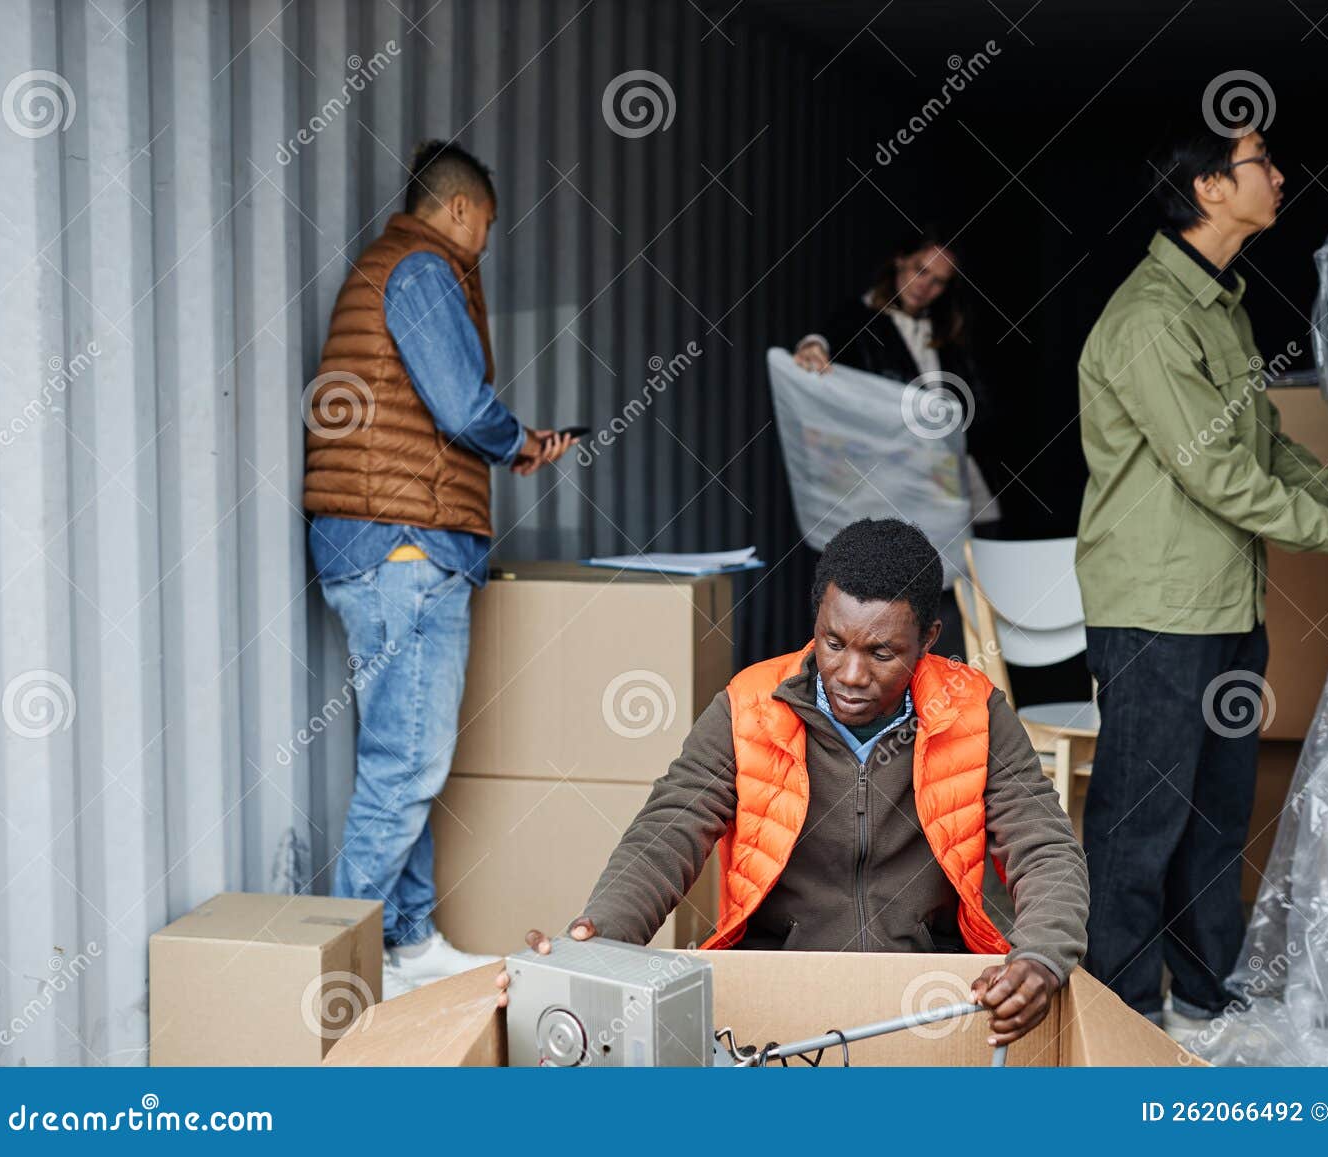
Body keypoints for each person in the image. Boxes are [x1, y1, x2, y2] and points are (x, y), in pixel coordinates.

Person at [1073, 117, 1328, 1038]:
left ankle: (1201, 992)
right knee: (1140, 821)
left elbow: (1264, 447)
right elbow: (1218, 475)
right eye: (1260, 162)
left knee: (1218, 810)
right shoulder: (1151, 319)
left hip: (1226, 603)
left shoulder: (1219, 303)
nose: (1279, 174)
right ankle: (1111, 1011)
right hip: (1158, 609)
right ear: (1209, 190)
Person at [497, 518, 1089, 1047]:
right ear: (817, 620)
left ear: (929, 639)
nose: (851, 675)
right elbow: (668, 830)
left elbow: (1044, 847)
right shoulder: (749, 706)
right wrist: (597, 938)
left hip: (930, 990)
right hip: (774, 983)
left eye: (882, 653)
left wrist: (1039, 956)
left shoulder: (976, 712)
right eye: (834, 643)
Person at [304, 139, 576, 998]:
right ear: (459, 209)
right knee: (408, 764)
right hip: (404, 546)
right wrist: (521, 440)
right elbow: (460, 404)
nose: (486, 243)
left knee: (403, 757)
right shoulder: (422, 269)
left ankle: (409, 943)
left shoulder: (396, 268)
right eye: (487, 225)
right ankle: (334, 967)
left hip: (387, 542)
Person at [791, 231, 1001, 658]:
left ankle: (954, 680)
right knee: (895, 574)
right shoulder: (861, 317)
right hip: (889, 478)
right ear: (899, 263)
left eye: (939, 280)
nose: (926, 285)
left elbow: (976, 404)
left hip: (945, 474)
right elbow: (824, 344)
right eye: (920, 271)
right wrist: (812, 348)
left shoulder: (949, 329)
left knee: (957, 572)